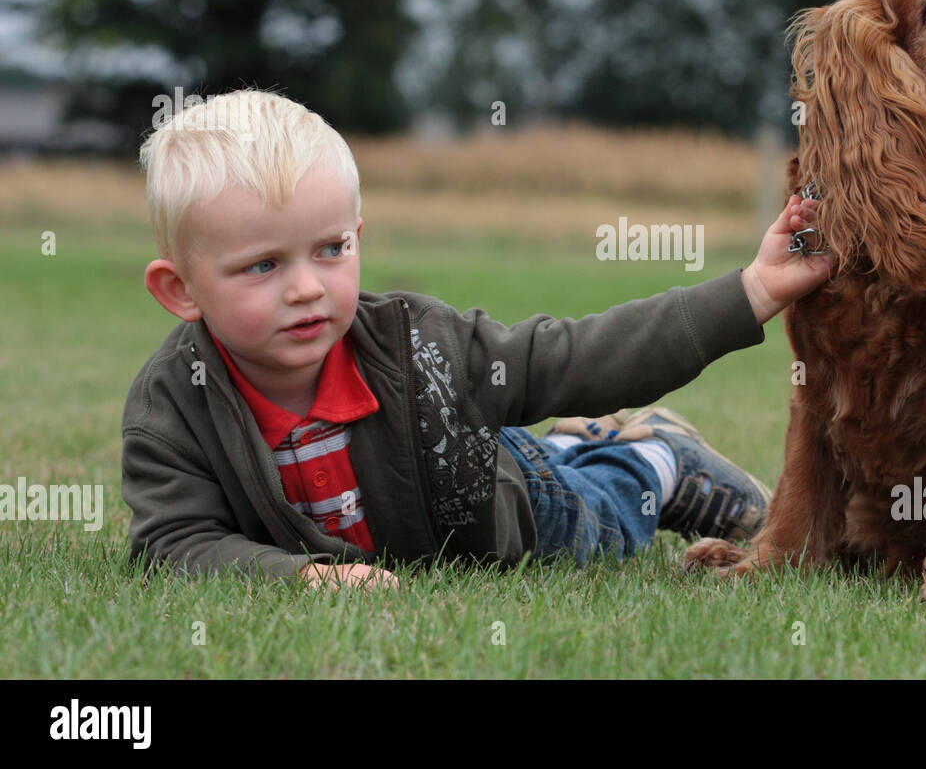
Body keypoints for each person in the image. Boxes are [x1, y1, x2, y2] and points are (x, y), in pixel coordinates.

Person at [122, 90, 831, 589]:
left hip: (520, 507)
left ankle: (656, 458)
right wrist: (299, 576)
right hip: (471, 456)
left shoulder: (420, 346)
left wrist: (754, 290)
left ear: (357, 238)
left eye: (330, 249)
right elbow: (176, 545)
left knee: (609, 521)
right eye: (264, 265)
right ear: (180, 289)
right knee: (545, 453)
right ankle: (584, 440)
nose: (307, 287)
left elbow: (577, 357)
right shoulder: (171, 407)